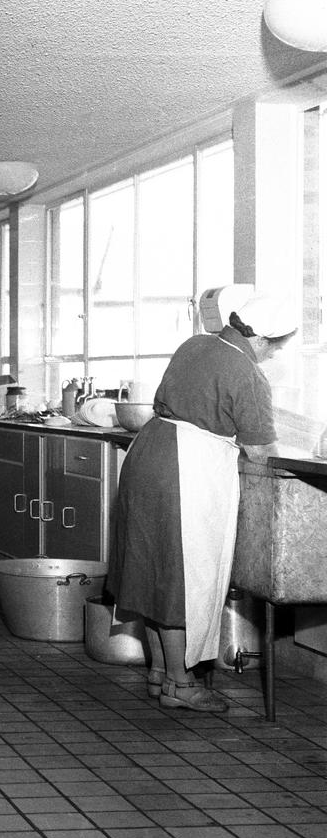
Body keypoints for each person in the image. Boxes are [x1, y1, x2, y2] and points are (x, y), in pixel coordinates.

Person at [107, 291, 298, 713]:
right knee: (184, 577)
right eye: (276, 348)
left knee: (152, 569)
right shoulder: (247, 373)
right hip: (186, 470)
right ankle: (180, 684)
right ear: (261, 339)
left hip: (148, 453)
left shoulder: (195, 344)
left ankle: (159, 671)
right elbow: (261, 452)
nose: (273, 356)